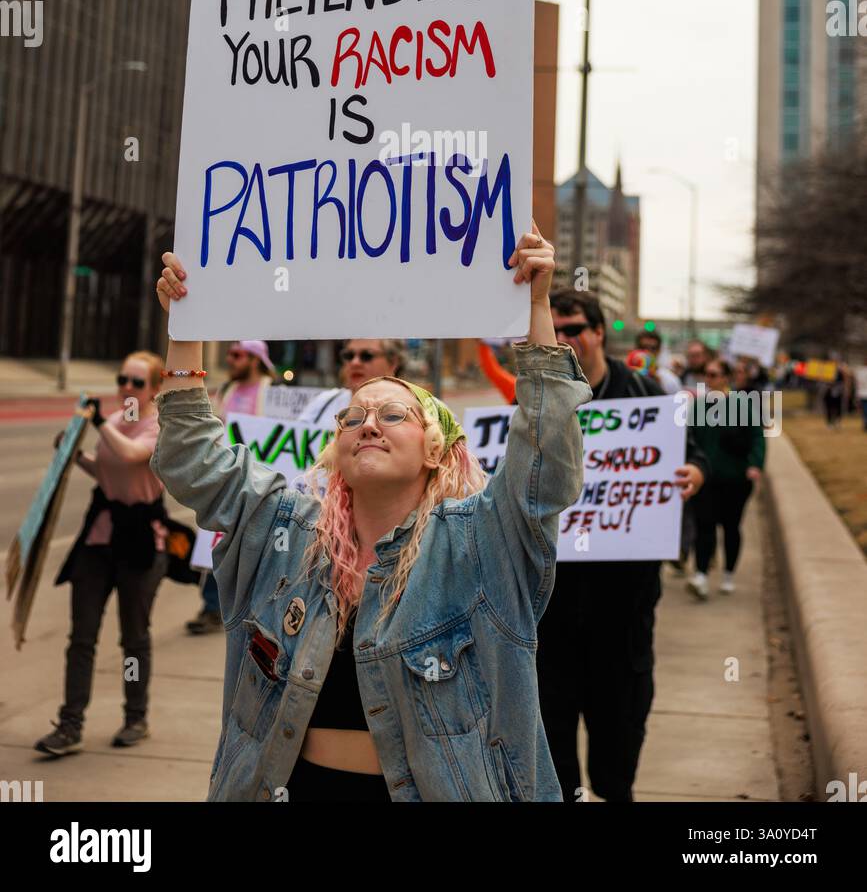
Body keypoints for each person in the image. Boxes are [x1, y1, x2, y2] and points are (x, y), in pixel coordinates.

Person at [153, 225, 594, 802]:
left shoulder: (479, 544)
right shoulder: (287, 531)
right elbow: (194, 464)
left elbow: (544, 463)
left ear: (435, 450)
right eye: (354, 417)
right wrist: (189, 325)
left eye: (393, 415)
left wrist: (536, 307)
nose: (367, 423)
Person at [535, 290, 707, 803]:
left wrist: (694, 471)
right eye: (555, 329)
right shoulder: (535, 394)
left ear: (599, 332)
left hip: (623, 610)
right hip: (551, 610)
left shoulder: (645, 391)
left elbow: (691, 452)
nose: (563, 339)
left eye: (573, 328)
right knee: (552, 763)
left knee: (617, 757)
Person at [35, 351, 168, 756]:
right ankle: (70, 723)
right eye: (121, 380)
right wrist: (76, 457)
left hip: (141, 542)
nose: (127, 389)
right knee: (82, 637)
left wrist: (96, 424)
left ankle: (135, 717)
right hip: (100, 538)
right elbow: (108, 470)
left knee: (133, 638)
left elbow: (130, 456)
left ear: (155, 389)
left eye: (136, 383)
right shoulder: (113, 423)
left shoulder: (159, 426)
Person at [187, 339, 276, 634]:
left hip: (258, 479)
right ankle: (212, 607)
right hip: (226, 478)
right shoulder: (226, 390)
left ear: (254, 359)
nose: (231, 360)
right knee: (216, 542)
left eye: (238, 355)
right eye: (230, 354)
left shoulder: (271, 393)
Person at [687, 357, 765, 599]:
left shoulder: (743, 405)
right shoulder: (698, 407)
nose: (707, 380)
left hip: (735, 479)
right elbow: (687, 439)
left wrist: (755, 465)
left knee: (731, 527)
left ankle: (729, 573)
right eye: (705, 375)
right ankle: (700, 574)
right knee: (704, 526)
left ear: (725, 378)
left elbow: (757, 437)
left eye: (713, 375)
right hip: (706, 478)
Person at [300, 340, 406, 428]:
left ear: (393, 363)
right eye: (349, 356)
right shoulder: (325, 401)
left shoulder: (411, 410)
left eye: (366, 356)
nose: (355, 363)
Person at [213, 340, 275, 419]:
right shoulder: (225, 388)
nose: (229, 359)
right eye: (228, 354)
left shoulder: (274, 390)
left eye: (236, 355)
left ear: (255, 360)